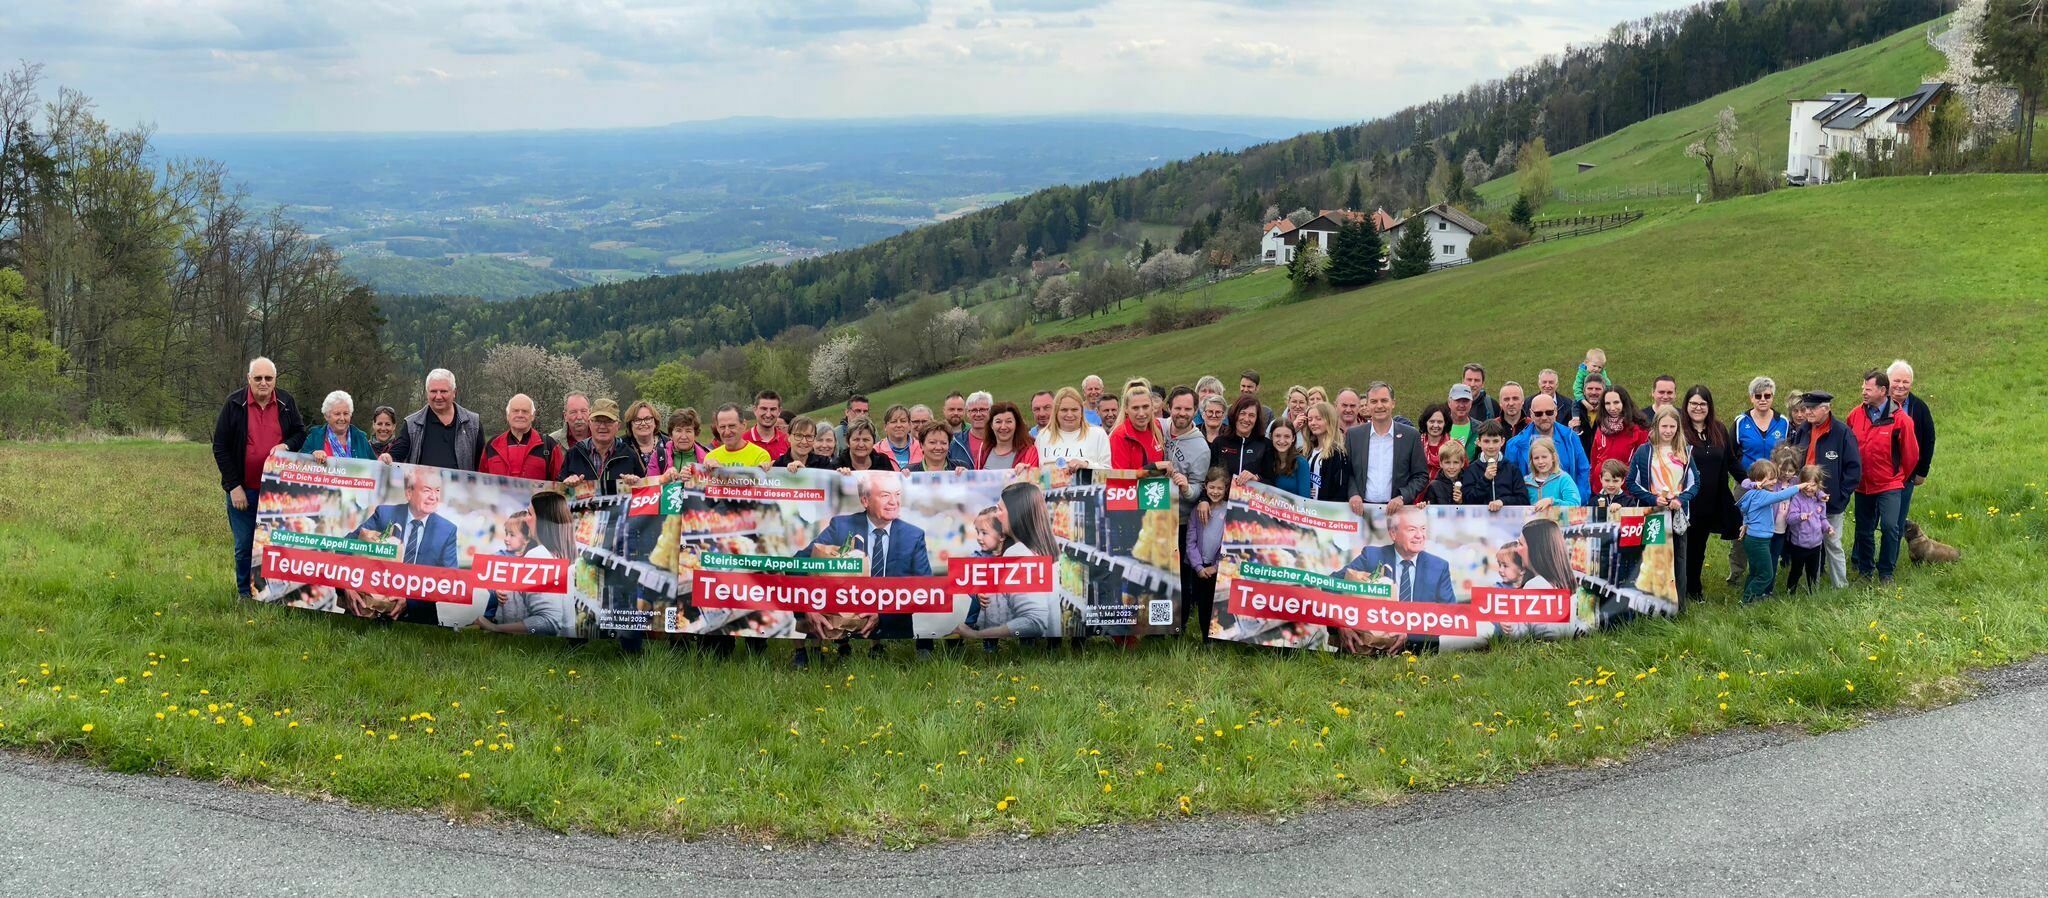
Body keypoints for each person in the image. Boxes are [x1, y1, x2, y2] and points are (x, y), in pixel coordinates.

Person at [803, 470, 932, 649]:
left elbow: (924, 588)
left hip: (894, 636)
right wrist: (809, 606)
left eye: (897, 495)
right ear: (865, 500)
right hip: (839, 630)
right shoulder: (841, 526)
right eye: (885, 495)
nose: (893, 502)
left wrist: (882, 614)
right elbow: (799, 564)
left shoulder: (913, 535)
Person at [211, 357, 307, 598]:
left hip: (276, 493)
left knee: (275, 546)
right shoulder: (234, 403)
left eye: (268, 378)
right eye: (258, 378)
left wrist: (287, 444)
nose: (263, 383)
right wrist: (233, 486)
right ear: (249, 379)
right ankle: (245, 595)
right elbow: (220, 446)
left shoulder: (286, 402)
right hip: (244, 490)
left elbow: (299, 432)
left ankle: (273, 595)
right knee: (244, 546)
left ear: (275, 380)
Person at [1333, 506, 1456, 655]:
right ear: (1393, 533)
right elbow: (1331, 584)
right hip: (1370, 651)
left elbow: (1450, 615)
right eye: (1412, 529)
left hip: (1420, 655)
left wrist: (1409, 634)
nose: (1420, 535)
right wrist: (1341, 623)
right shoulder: (1371, 557)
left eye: (1423, 529)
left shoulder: (1439, 567)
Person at [953, 481, 1062, 642]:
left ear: (1016, 513)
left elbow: (1034, 621)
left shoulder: (1018, 554)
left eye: (1000, 509)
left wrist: (976, 634)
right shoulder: (1043, 549)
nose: (997, 514)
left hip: (1029, 657)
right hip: (1046, 651)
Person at [350, 467, 457, 623]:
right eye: (427, 490)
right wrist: (346, 585)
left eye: (437, 491)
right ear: (409, 493)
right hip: (373, 611)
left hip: (418, 619)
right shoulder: (385, 515)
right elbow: (346, 546)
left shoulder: (447, 531)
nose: (434, 497)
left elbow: (450, 581)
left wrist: (410, 602)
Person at [1847, 368, 1920, 586]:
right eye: (1863, 388)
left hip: (1889, 484)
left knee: (1890, 527)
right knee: (1863, 529)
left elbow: (1911, 454)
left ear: (1882, 390)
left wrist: (1898, 478)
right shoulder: (1854, 415)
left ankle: (1886, 571)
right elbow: (1849, 447)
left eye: (1868, 389)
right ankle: (1865, 571)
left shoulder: (1901, 420)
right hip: (1862, 486)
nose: (1864, 393)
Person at [1784, 390, 1860, 588]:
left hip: (1830, 501)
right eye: (1806, 408)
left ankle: (1840, 586)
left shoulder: (1842, 433)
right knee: (1808, 544)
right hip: (1803, 498)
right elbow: (1793, 459)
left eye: (1811, 408)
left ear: (1826, 409)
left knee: (1833, 543)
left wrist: (1841, 497)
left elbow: (1853, 469)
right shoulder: (1803, 431)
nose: (1807, 412)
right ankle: (1811, 586)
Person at [473, 495, 577, 636]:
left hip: (540, 649)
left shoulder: (538, 555)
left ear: (542, 520)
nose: (526, 518)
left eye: (529, 513)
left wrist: (494, 628)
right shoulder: (561, 554)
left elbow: (549, 622)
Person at [1626, 408, 1699, 599]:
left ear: (1678, 428)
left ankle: (1678, 604)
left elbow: (1695, 483)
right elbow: (1631, 482)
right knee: (1654, 558)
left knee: (1678, 558)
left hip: (1677, 514)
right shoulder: (1644, 452)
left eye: (1672, 426)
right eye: (1664, 426)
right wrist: (1652, 498)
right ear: (1656, 426)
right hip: (1653, 514)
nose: (1668, 430)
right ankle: (1652, 603)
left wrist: (1680, 500)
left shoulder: (1685, 452)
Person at [1677, 386, 1738, 601]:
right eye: (1693, 403)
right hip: (1685, 502)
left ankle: (1694, 588)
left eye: (1702, 404)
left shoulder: (1719, 429)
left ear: (1709, 406)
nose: (1698, 407)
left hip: (1711, 500)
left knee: (1698, 547)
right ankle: (1679, 590)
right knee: (1682, 547)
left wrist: (1752, 481)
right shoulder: (1679, 431)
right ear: (1686, 406)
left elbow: (1731, 462)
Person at [1728, 376, 1788, 585]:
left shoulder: (1783, 422)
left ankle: (1763, 572)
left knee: (1769, 528)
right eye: (1758, 396)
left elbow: (1786, 454)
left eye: (1767, 395)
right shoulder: (1740, 422)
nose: (1763, 399)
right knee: (1742, 528)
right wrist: (1745, 481)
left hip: (1773, 487)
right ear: (1751, 397)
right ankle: (1736, 572)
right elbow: (1731, 455)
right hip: (1746, 486)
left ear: (1772, 397)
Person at [1344, 382, 1427, 516]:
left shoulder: (1411, 436)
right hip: (1362, 512)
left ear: (1393, 403)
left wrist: (1402, 497)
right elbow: (1348, 472)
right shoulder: (1354, 436)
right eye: (1374, 401)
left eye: (1384, 400)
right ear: (1367, 405)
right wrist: (1353, 494)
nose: (1379, 406)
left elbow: (1420, 475)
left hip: (1397, 512)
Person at [381, 368, 482, 472]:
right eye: (433, 391)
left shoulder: (473, 423)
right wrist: (388, 457)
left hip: (460, 487)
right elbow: (397, 455)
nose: (438, 396)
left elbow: (482, 463)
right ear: (426, 393)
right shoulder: (412, 424)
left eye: (443, 391)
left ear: (454, 392)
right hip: (422, 487)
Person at [1736, 460, 1807, 603]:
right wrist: (1799, 486)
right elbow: (1779, 496)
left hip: (1753, 539)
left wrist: (1746, 524)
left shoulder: (1752, 493)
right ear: (1758, 480)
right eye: (1771, 478)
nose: (1774, 481)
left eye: (1775, 477)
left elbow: (1746, 511)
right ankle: (1747, 599)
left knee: (1756, 571)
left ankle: (1750, 596)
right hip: (1759, 541)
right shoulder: (1762, 495)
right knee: (1766, 574)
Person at [1505, 393, 1592, 498]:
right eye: (1538, 414)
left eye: (1549, 412)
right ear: (1531, 414)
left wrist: (1576, 501)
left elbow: (1583, 471)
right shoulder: (1514, 445)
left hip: (1567, 508)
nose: (1544, 417)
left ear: (1556, 412)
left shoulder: (1571, 437)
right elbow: (1511, 482)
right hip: (1531, 508)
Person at [1182, 467, 1230, 639]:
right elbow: (1190, 541)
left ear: (1226, 489)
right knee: (1203, 604)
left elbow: (1229, 543)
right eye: (1212, 487)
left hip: (1218, 569)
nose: (1215, 492)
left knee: (1217, 604)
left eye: (1219, 488)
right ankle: (1205, 638)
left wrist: (1217, 566)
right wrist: (1198, 566)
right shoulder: (1197, 511)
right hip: (1200, 568)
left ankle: (1219, 637)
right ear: (1205, 487)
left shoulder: (1229, 512)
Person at [1887, 359, 1935, 521]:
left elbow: (1928, 440)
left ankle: (1892, 547)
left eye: (1905, 382)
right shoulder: (1875, 405)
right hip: (1877, 474)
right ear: (1887, 381)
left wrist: (1922, 472)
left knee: (1897, 522)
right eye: (1896, 381)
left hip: (1906, 475)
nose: (1901, 385)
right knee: (1870, 523)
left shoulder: (1919, 408)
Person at [478, 393, 563, 481]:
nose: (520, 415)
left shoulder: (548, 446)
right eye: (515, 411)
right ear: (508, 415)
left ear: (532, 416)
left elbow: (560, 484)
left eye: (525, 411)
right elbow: (482, 482)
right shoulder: (492, 446)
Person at [561, 399, 637, 492]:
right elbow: (560, 494)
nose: (602, 426)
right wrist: (566, 485)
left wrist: (636, 484)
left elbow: (644, 494)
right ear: (589, 423)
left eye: (608, 421)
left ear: (618, 425)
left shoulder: (629, 455)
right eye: (597, 421)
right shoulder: (574, 454)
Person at [1784, 464, 1835, 594]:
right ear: (1801, 484)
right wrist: (1800, 517)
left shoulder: (1820, 500)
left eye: (1813, 485)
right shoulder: (1796, 499)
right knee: (1796, 570)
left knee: (1813, 571)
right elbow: (1789, 519)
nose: (1809, 488)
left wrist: (1828, 528)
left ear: (1819, 485)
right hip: (1799, 544)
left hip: (1816, 544)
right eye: (1806, 484)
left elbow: (1822, 519)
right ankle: (1791, 591)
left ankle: (1813, 593)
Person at [1590, 385, 1648, 488]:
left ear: (1624, 403)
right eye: (1607, 403)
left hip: (1626, 490)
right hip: (1600, 488)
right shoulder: (1600, 428)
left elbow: (1643, 463)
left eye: (1616, 402)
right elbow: (1594, 459)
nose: (1612, 408)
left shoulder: (1638, 430)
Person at [1037, 387, 1111, 468]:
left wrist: (1087, 465)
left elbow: (1107, 472)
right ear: (1056, 412)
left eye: (1074, 410)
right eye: (1064, 410)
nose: (1069, 415)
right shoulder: (1043, 436)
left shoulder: (1098, 435)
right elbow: (1036, 471)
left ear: (1081, 411)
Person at [1460, 420, 1526, 511]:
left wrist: (1503, 501)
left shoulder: (1512, 469)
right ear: (1479, 442)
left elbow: (1523, 499)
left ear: (1502, 441)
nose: (1491, 446)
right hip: (1480, 521)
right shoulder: (1471, 470)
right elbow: (1468, 500)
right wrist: (1485, 479)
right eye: (1486, 441)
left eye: (1495, 441)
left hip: (1507, 522)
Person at [1164, 387, 1212, 510]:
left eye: (1188, 409)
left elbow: (1198, 487)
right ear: (1169, 408)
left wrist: (1186, 488)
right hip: (1148, 509)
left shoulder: (1201, 448)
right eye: (1178, 408)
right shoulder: (1158, 428)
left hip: (1178, 518)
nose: (1182, 413)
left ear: (1195, 411)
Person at [1109, 386, 1171, 477]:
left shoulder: (1157, 427)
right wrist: (1153, 467)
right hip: (1135, 490)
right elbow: (1120, 478)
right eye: (1135, 408)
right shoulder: (1120, 436)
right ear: (1126, 409)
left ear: (1152, 407)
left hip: (1158, 489)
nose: (1141, 413)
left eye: (1145, 407)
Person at [1212, 396, 1275, 484]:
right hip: (1221, 496)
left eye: (1251, 415)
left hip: (1252, 496)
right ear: (1234, 414)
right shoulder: (1219, 443)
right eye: (1242, 413)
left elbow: (1271, 482)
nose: (1246, 419)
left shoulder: (1265, 445)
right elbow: (1210, 478)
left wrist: (1256, 479)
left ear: (1257, 419)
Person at [305, 390, 374, 463]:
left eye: (346, 413)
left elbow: (375, 467)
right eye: (337, 414)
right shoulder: (314, 437)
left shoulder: (360, 438)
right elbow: (297, 464)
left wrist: (382, 460)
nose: (342, 418)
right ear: (326, 416)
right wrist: (311, 454)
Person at [619, 400, 674, 484]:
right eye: (637, 420)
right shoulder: (620, 446)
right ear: (630, 424)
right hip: (634, 494)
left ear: (655, 422)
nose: (643, 423)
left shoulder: (669, 444)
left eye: (648, 419)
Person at [700, 404, 771, 469]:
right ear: (717, 428)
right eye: (722, 427)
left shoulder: (760, 456)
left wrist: (721, 472)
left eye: (731, 426)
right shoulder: (710, 458)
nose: (727, 432)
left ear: (743, 425)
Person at [1303, 401, 1349, 502]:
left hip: (1325, 512)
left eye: (1318, 419)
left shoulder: (1337, 453)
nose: (1313, 423)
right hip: (1307, 510)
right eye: (1310, 419)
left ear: (1330, 420)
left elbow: (1340, 490)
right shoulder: (1307, 451)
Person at [977, 402, 1040, 470]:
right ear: (991, 425)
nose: (1003, 427)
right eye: (998, 422)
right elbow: (975, 477)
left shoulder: (1029, 452)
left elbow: (1034, 478)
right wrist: (965, 474)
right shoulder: (984, 449)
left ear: (1016, 424)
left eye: (1008, 421)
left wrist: (1026, 472)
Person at [1525, 438, 1581, 511]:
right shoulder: (1526, 481)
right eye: (1536, 458)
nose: (1540, 461)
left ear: (1553, 457)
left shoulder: (1563, 478)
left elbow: (1575, 505)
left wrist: (1552, 502)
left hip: (1558, 522)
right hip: (1533, 522)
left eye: (1544, 457)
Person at [947, 392, 993, 470]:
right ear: (967, 413)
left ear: (991, 411)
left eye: (982, 410)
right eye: (974, 410)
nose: (978, 414)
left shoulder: (1002, 441)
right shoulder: (954, 443)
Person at [1264, 420, 1310, 496]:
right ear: (1271, 436)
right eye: (1278, 436)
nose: (1282, 441)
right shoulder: (1266, 459)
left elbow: (1305, 498)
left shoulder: (1300, 462)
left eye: (1287, 436)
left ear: (1293, 438)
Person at [745, 391, 789, 461]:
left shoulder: (787, 441)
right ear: (755, 410)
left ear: (779, 411)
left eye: (773, 409)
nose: (768, 414)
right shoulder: (743, 440)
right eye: (764, 409)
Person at [1422, 441, 1467, 506]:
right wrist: (1425, 506)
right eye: (1447, 462)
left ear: (1462, 463)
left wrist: (1461, 502)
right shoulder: (1434, 486)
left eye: (1456, 462)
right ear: (1440, 463)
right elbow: (1430, 511)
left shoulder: (1468, 482)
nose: (1452, 467)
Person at [1416, 403, 1452, 483]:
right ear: (1425, 422)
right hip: (1417, 491)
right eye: (1431, 421)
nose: (1435, 425)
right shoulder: (1415, 443)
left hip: (1444, 492)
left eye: (1439, 422)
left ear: (1445, 423)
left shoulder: (1454, 446)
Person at [1570, 371, 1607, 443]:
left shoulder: (1610, 411)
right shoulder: (1571, 410)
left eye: (1598, 389)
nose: (1593, 392)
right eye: (1590, 388)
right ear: (1583, 391)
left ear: (1604, 391)